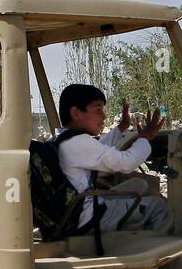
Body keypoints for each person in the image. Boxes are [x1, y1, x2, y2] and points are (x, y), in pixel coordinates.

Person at [55, 83, 170, 233]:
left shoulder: (62, 140)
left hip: (73, 212)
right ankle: (165, 255)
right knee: (158, 206)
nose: (104, 116)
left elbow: (99, 149)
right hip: (88, 217)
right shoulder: (78, 143)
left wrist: (122, 126)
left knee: (138, 185)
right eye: (98, 110)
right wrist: (146, 138)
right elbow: (126, 162)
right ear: (76, 113)